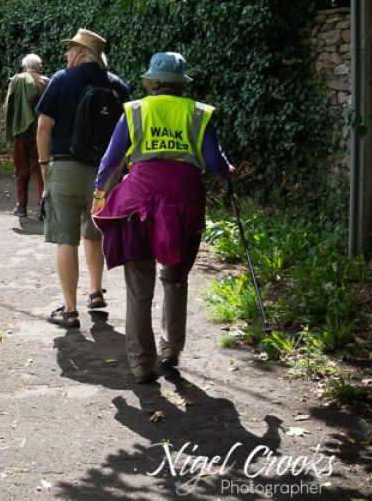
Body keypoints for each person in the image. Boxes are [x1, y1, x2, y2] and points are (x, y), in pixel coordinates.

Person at [92, 52, 230, 384]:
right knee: (176, 277)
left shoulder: (135, 110)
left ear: (151, 81)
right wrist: (227, 173)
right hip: (184, 207)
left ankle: (141, 363)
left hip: (138, 206)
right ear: (183, 84)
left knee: (140, 287)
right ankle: (171, 350)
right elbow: (214, 162)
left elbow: (111, 160)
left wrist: (99, 191)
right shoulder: (198, 113)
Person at [36, 28, 131, 329]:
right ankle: (95, 293)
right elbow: (128, 131)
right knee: (95, 232)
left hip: (66, 168)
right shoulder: (118, 85)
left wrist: (42, 164)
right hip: (105, 174)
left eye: (69, 49)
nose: (66, 54)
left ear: (80, 53)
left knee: (66, 239)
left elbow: (43, 125)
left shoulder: (63, 79)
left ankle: (70, 310)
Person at [4, 54, 49, 216]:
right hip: (40, 133)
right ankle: (42, 205)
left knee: (21, 169)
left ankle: (21, 206)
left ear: (24, 68)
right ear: (40, 68)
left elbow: (7, 106)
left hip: (21, 133)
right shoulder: (46, 82)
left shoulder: (16, 80)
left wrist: (11, 127)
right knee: (39, 168)